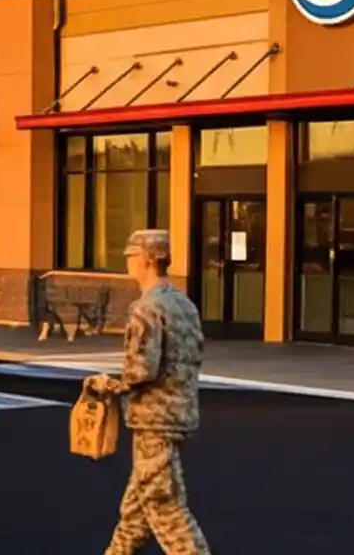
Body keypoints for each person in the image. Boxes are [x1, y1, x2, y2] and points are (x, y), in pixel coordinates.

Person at [84, 230, 211, 555]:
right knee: (136, 513)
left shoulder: (146, 308)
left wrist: (106, 386)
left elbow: (141, 369)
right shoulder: (184, 304)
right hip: (179, 412)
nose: (127, 261)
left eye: (130, 255)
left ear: (146, 259)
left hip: (153, 419)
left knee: (163, 506)